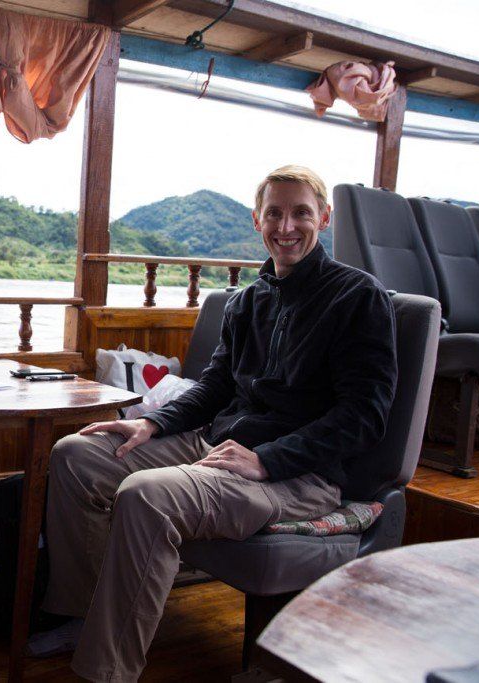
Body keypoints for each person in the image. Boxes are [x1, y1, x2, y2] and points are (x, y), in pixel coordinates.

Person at [30, 165, 397, 682]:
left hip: (299, 475)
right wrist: (152, 425)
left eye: (300, 213)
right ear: (256, 219)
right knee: (75, 456)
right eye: (274, 212)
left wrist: (268, 460)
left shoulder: (357, 298)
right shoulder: (248, 301)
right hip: (220, 446)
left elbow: (364, 417)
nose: (286, 226)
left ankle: (106, 671)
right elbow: (214, 387)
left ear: (324, 218)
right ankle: (83, 614)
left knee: (146, 494)